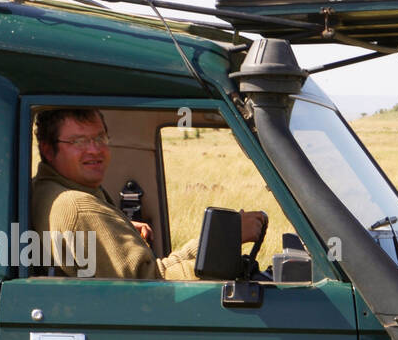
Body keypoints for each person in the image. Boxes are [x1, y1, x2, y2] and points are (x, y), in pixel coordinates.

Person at [30, 108, 267, 279]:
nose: (95, 150)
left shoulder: (48, 190)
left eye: (100, 137)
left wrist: (116, 228)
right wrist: (227, 238)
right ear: (48, 150)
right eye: (78, 141)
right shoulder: (78, 207)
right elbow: (152, 284)